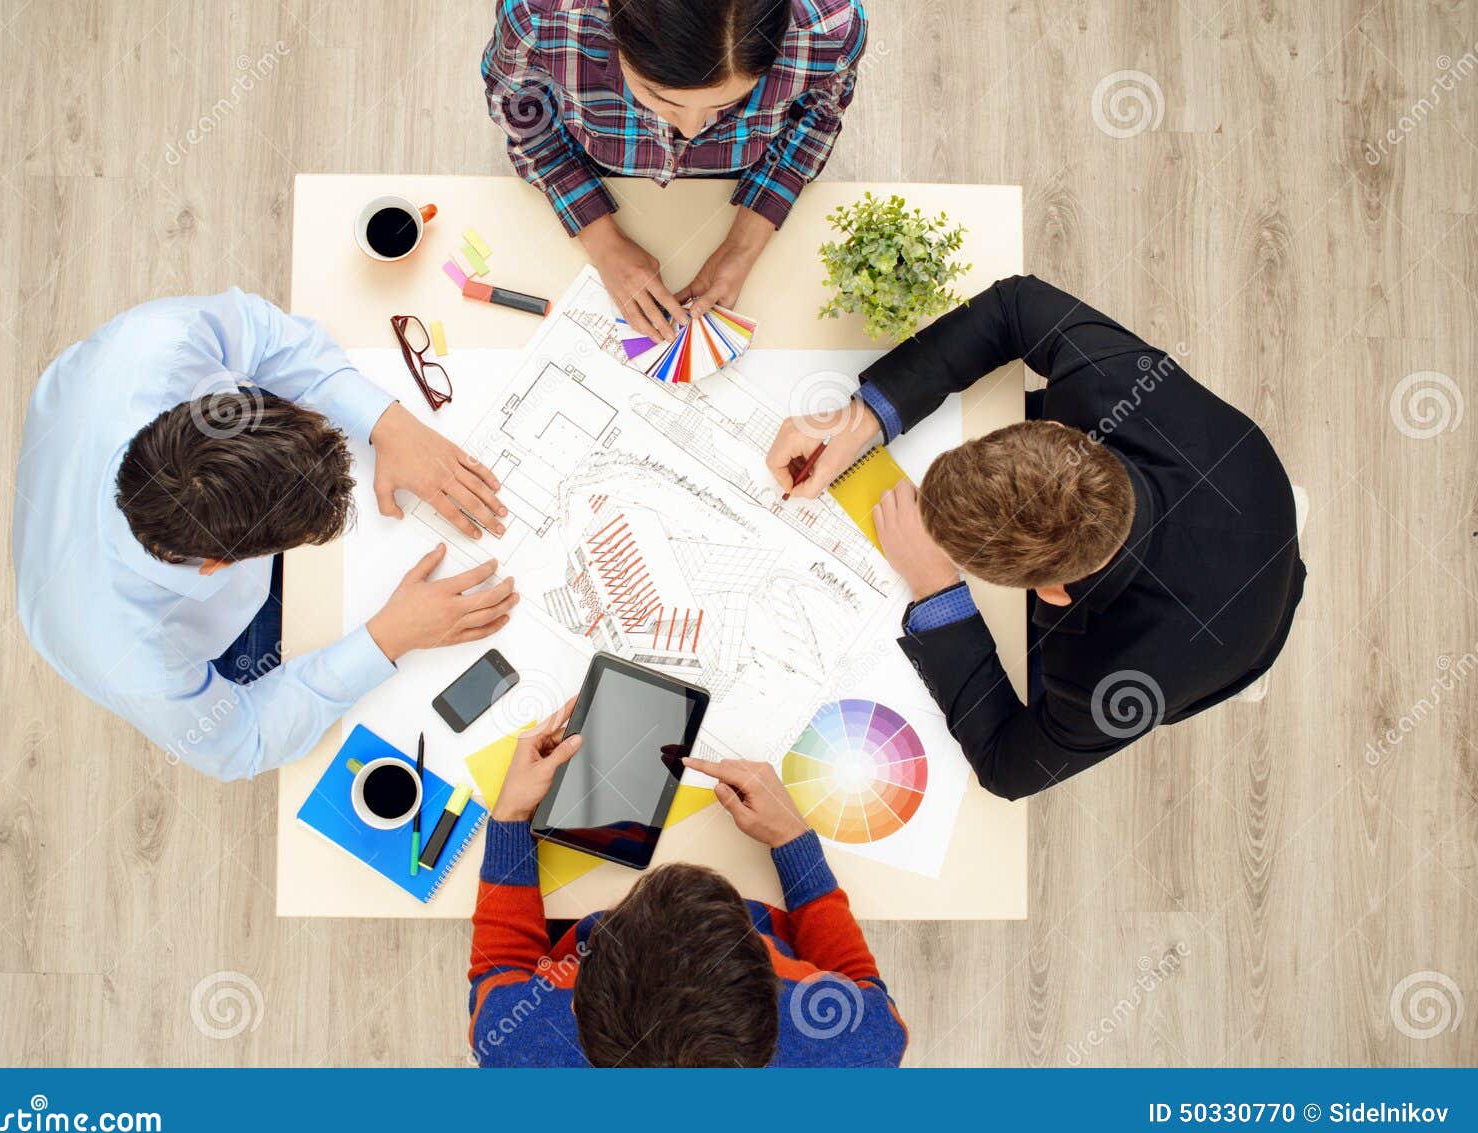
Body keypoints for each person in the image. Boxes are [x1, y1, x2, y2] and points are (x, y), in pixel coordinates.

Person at [766, 275, 1306, 800]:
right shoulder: (1114, 384)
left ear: (1049, 593)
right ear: (1057, 432)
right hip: (1240, 485)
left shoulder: (1106, 685)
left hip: (1234, 632)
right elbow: (1014, 305)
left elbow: (1007, 767)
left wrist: (935, 586)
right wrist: (863, 417)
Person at [13, 289, 519, 780]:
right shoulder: (142, 662)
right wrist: (390, 636)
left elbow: (267, 335)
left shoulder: (165, 344)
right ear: (219, 565)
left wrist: (386, 423)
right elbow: (243, 742)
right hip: (137, 616)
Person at [467, 701, 907, 1066]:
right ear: (774, 987)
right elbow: (856, 980)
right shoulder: (859, 1045)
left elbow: (500, 971)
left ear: (576, 1005)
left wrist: (510, 816)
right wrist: (794, 841)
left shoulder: (514, 1042)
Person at [482, 0, 867, 340]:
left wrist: (743, 245)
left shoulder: (831, 30)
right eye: (661, 100)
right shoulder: (538, 13)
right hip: (594, 166)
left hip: (742, 174)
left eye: (729, 102)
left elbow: (816, 121)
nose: (691, 130)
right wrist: (602, 239)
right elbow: (522, 113)